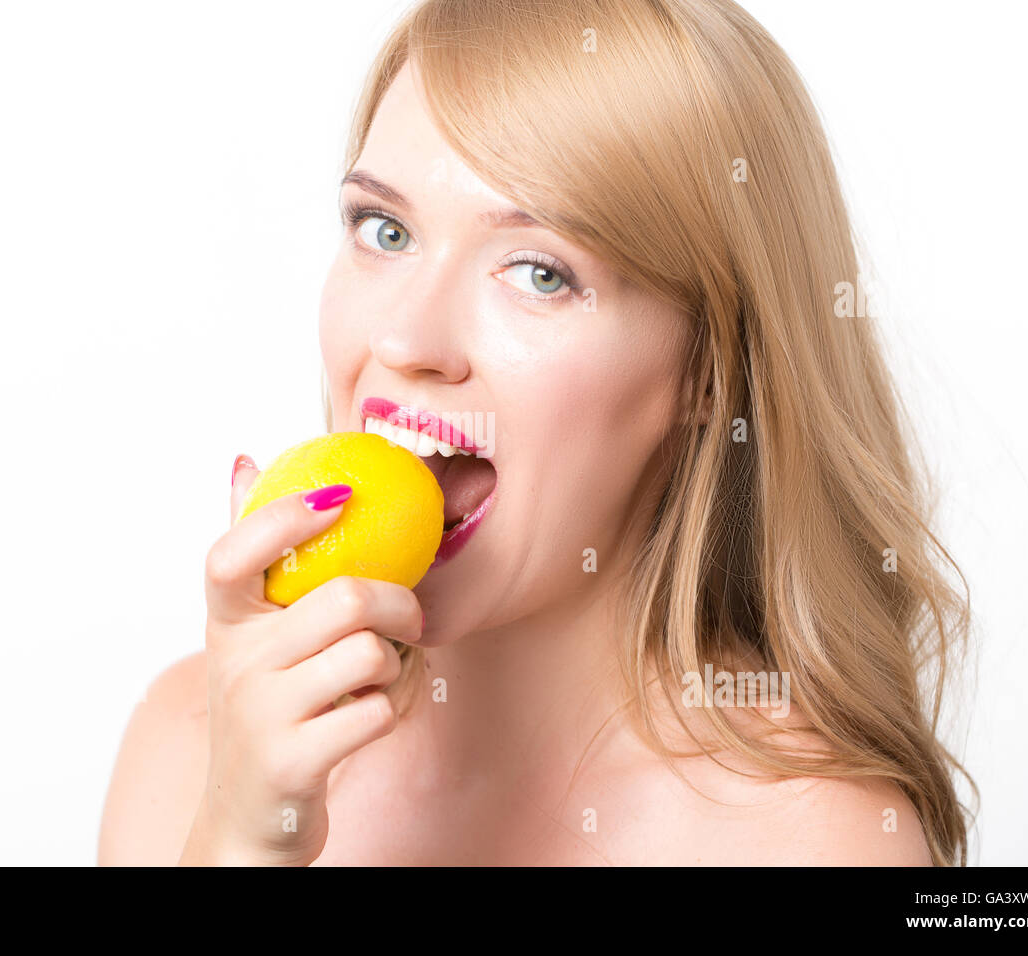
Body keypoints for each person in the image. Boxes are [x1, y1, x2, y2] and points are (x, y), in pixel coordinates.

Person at [99, 0, 974, 866]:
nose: (404, 341)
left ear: (708, 371)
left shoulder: (809, 843)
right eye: (386, 230)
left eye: (539, 272)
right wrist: (241, 845)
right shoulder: (193, 751)